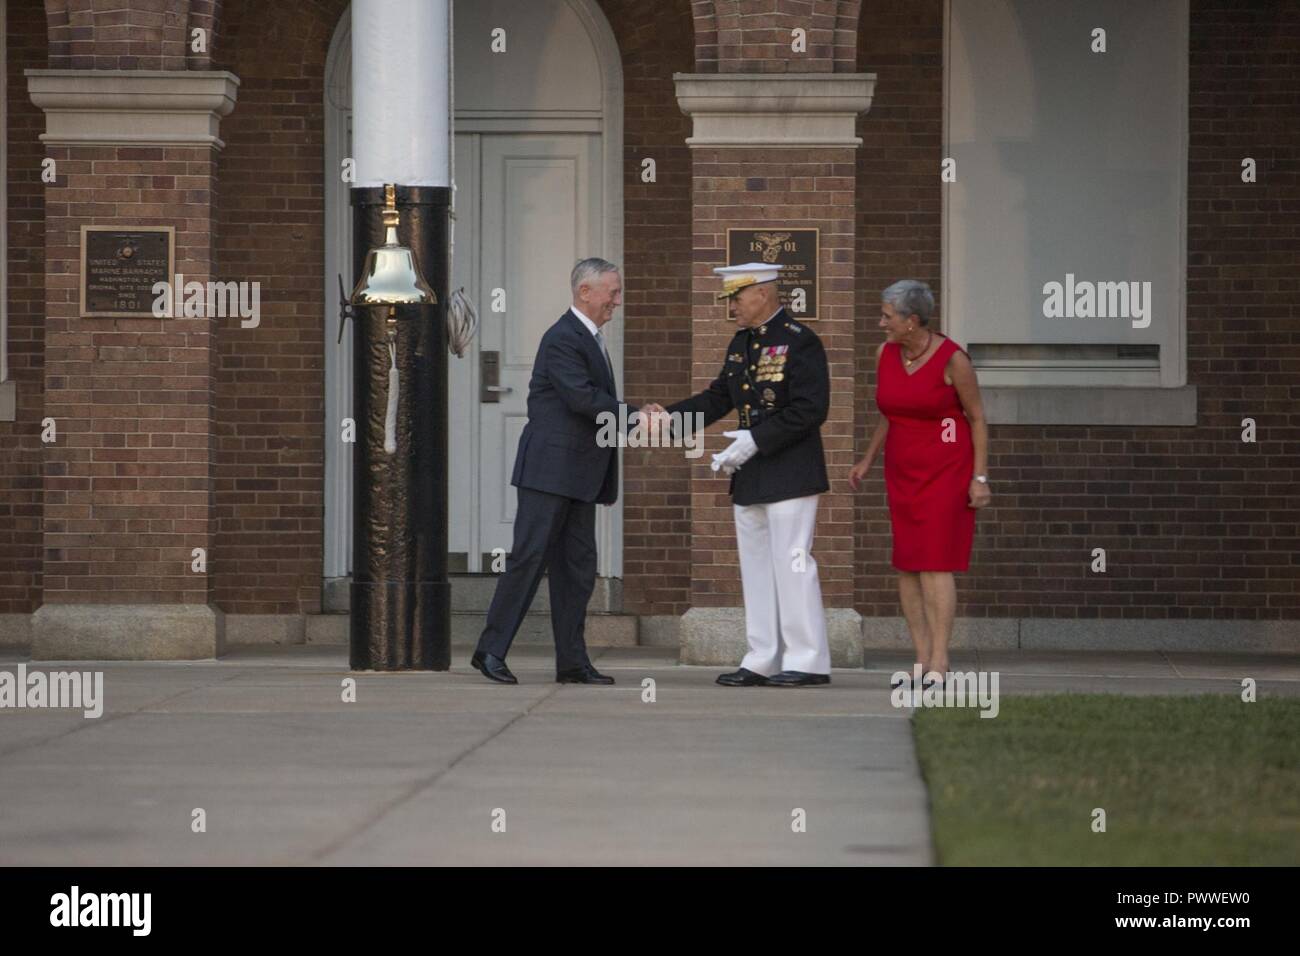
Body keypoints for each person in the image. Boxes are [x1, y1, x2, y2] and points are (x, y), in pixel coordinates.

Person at [471, 258, 661, 685]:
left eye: (618, 291)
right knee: (529, 557)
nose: (618, 300)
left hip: (579, 476)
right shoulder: (563, 338)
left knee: (576, 567)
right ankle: (490, 650)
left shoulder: (589, 337)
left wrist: (641, 419)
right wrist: (637, 417)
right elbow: (583, 399)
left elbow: (590, 401)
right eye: (612, 291)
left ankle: (572, 662)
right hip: (550, 472)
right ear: (585, 292)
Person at [652, 263, 833, 687]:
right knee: (755, 569)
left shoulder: (800, 342)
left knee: (792, 564)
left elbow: (810, 409)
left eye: (737, 297)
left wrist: (756, 439)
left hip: (790, 471)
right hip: (750, 473)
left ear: (763, 295)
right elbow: (718, 398)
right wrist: (668, 420)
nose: (731, 305)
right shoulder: (741, 344)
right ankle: (762, 656)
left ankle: (808, 660)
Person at [848, 280, 991, 689]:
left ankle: (941, 662)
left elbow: (977, 417)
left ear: (912, 321)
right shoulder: (885, 354)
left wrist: (980, 477)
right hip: (902, 469)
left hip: (947, 467)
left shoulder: (952, 359)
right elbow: (891, 413)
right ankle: (921, 658)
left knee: (934, 561)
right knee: (907, 565)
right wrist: (868, 458)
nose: (881, 324)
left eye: (887, 317)